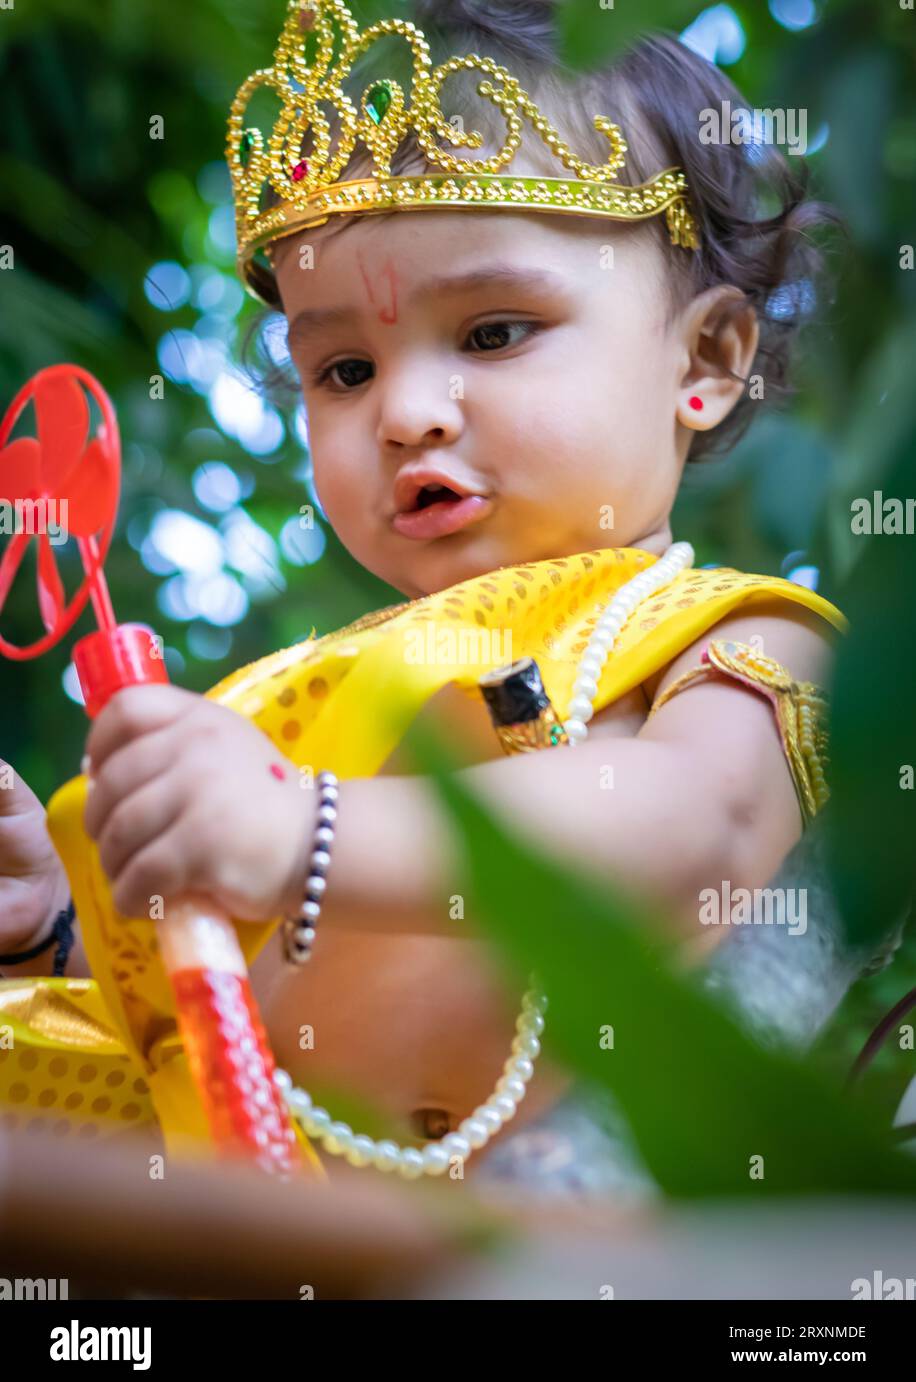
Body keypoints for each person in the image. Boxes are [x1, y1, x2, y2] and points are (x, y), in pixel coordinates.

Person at [0, 0, 850, 1189]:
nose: (404, 413)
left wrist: (302, 830)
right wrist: (62, 931)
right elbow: (195, 1018)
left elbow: (695, 826)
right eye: (342, 368)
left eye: (495, 331)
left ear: (705, 360)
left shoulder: (727, 637)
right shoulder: (280, 704)